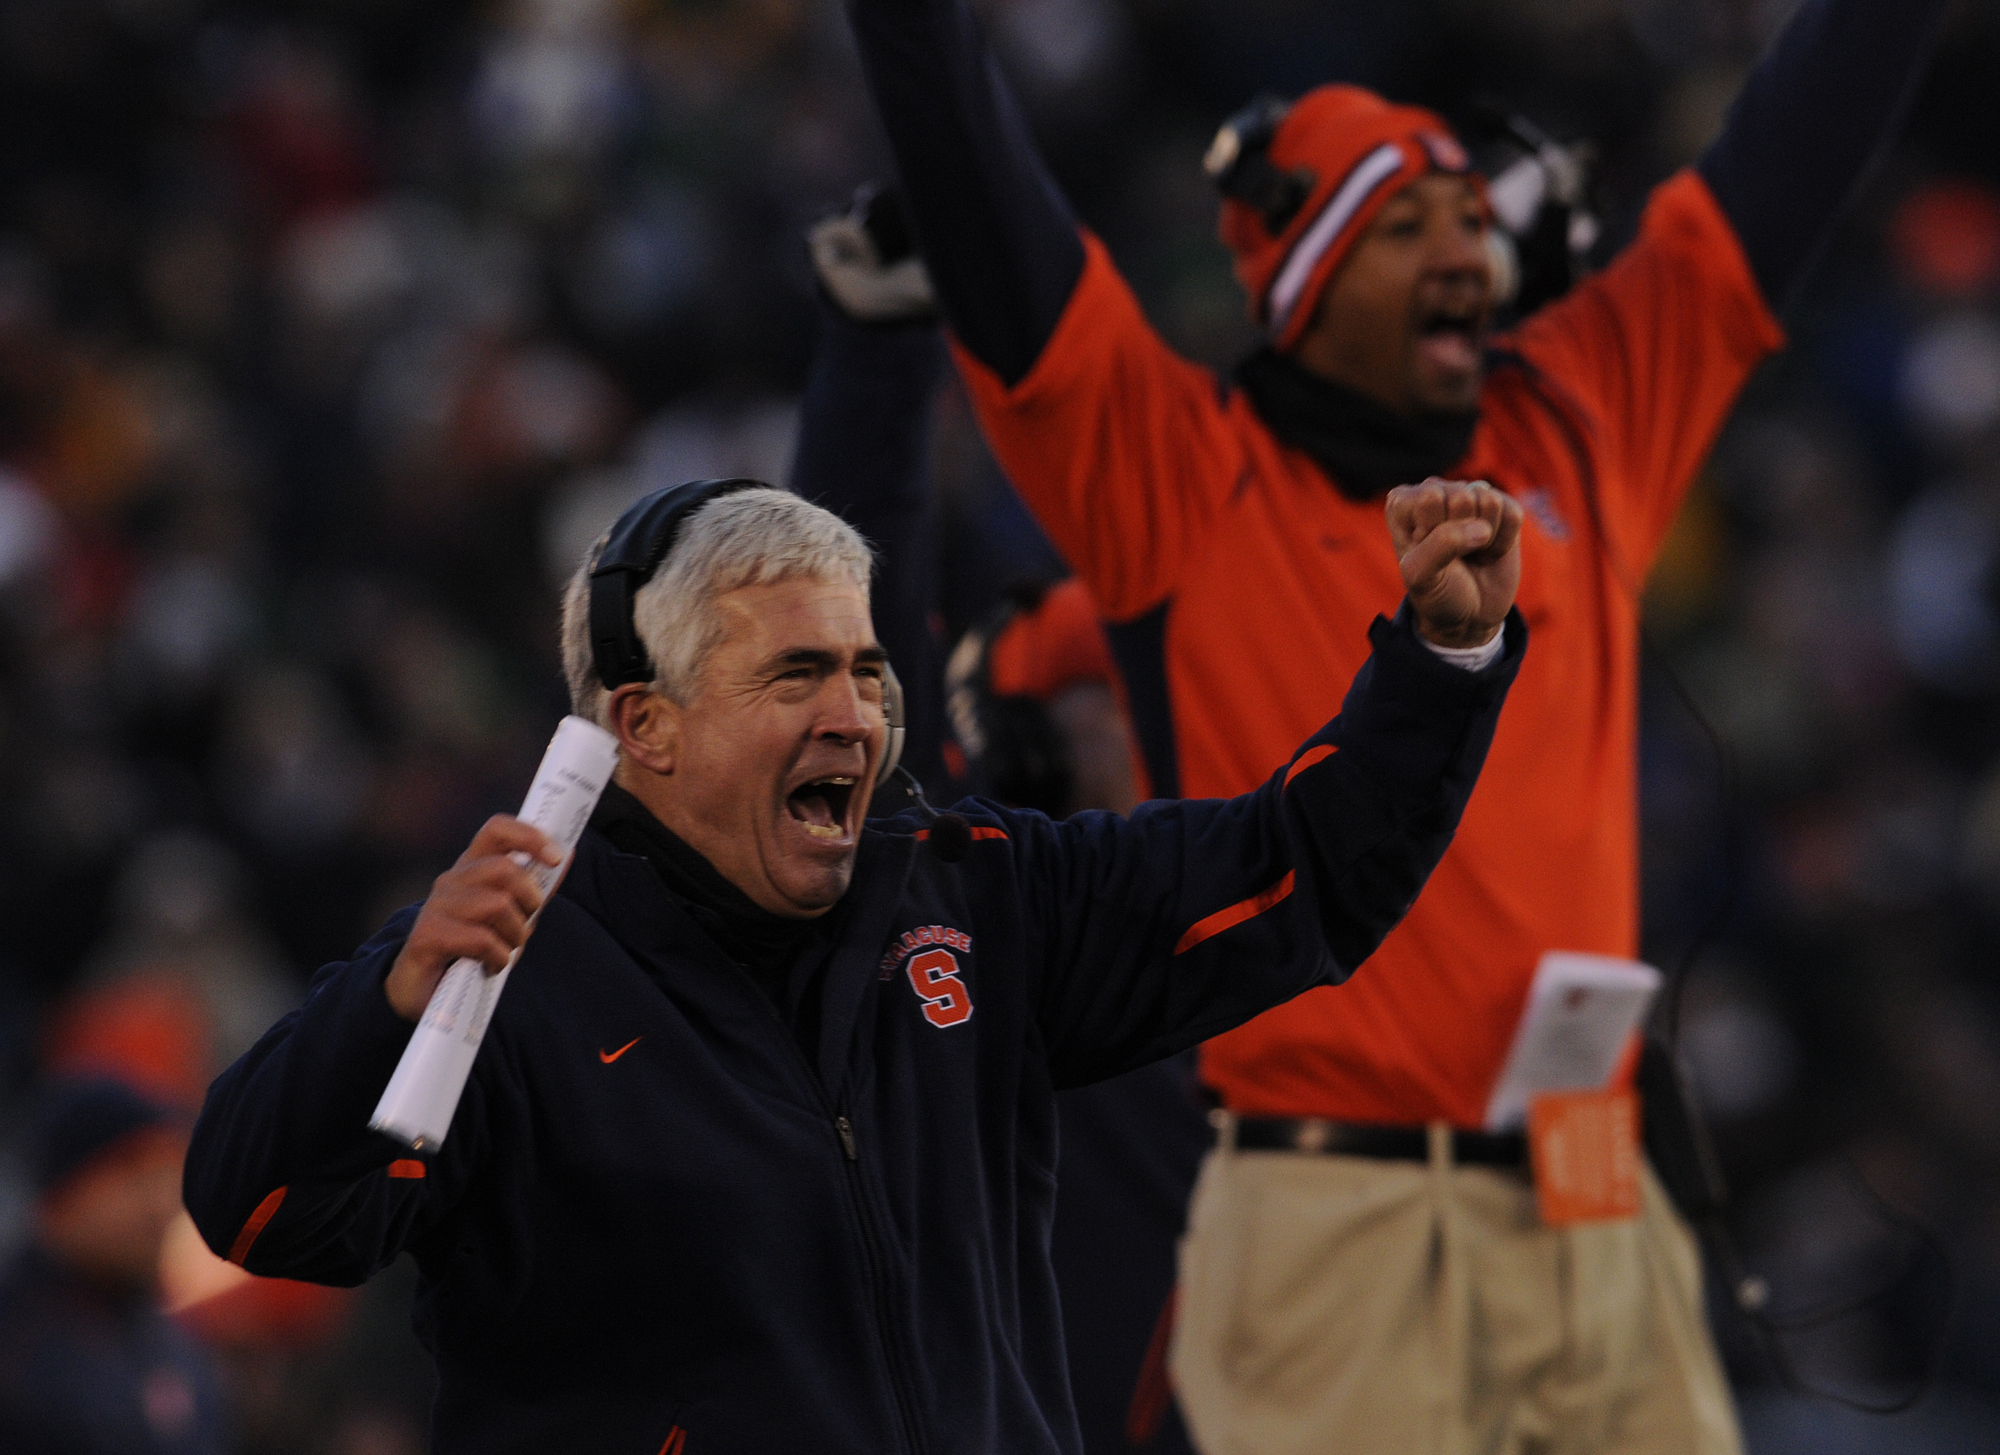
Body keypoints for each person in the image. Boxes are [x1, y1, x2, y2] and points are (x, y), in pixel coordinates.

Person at [841, 0, 1949, 1449]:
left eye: (1469, 216)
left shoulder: (1580, 410)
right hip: (1334, 1219)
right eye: (1401, 220)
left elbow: (1796, 141)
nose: (1463, 249)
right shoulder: (1177, 473)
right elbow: (982, 196)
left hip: (1595, 1198)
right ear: (1294, 274)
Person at [184, 476, 1523, 1453]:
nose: (855, 713)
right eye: (799, 674)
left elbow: (1300, 872)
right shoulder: (504, 973)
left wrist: (1444, 660)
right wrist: (391, 998)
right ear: (644, 723)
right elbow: (259, 1210)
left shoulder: (973, 883)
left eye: (870, 671)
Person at [794, 202, 1202, 1453]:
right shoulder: (969, 921)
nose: (1142, 734)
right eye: (1102, 706)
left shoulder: (1239, 926)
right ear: (1017, 739)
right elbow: (852, 613)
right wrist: (880, 345)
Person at [0, 1077, 229, 1454]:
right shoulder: (16, 1343)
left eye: (167, 1176)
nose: (159, 1207)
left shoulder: (178, 1342)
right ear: (61, 1193)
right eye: (133, 1175)